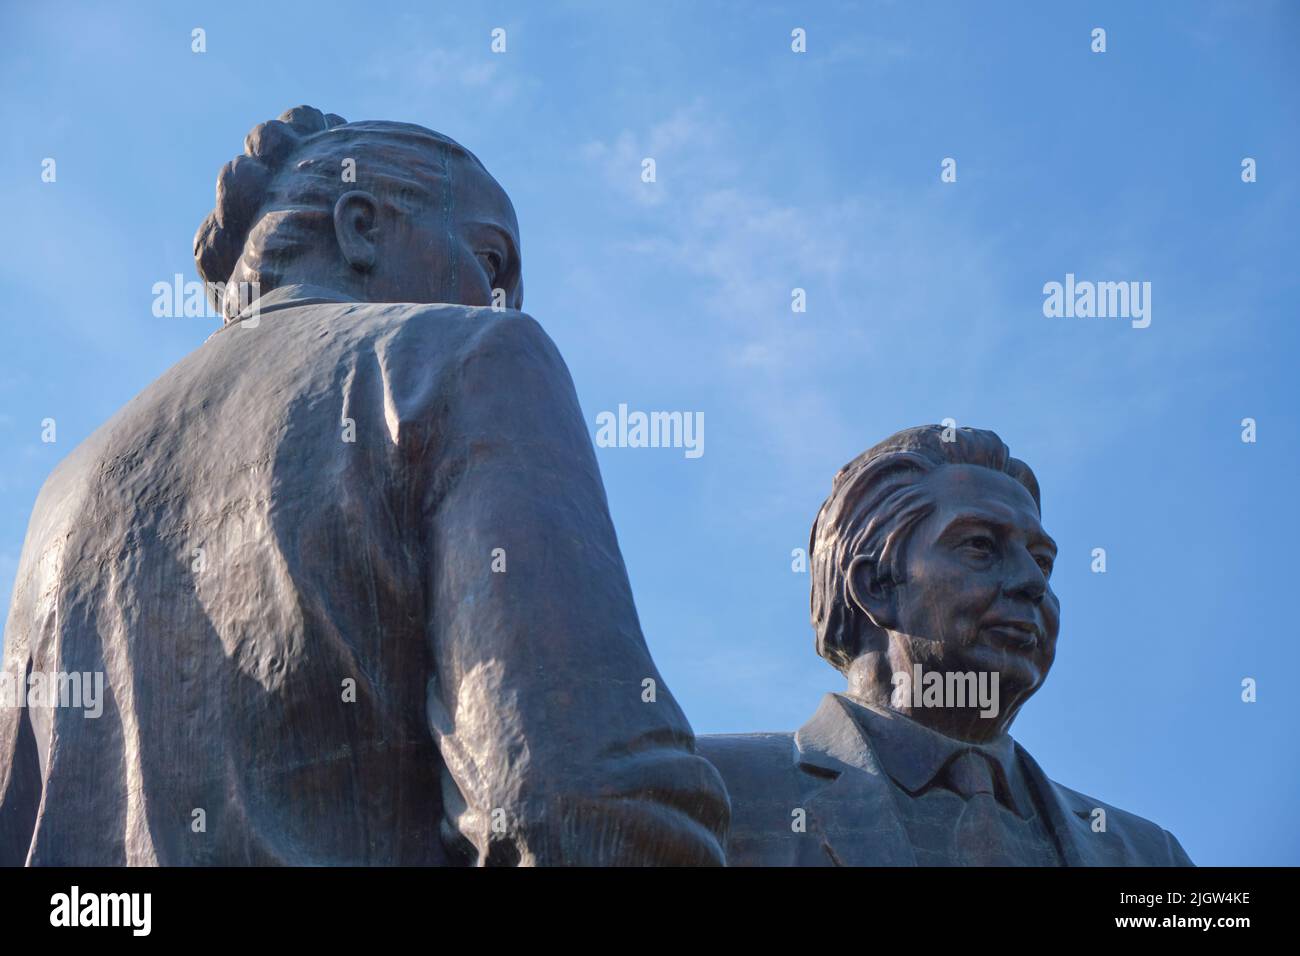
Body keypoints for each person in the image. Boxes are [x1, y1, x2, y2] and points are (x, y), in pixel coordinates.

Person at [0, 106, 728, 866]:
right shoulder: (466, 359)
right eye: (490, 259)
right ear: (360, 227)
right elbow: (566, 797)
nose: (506, 302)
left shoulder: (66, 491)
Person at [700, 424, 1192, 866]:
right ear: (876, 585)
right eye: (980, 546)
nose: (1031, 583)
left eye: (1042, 562)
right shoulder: (719, 794)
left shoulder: (1148, 856)